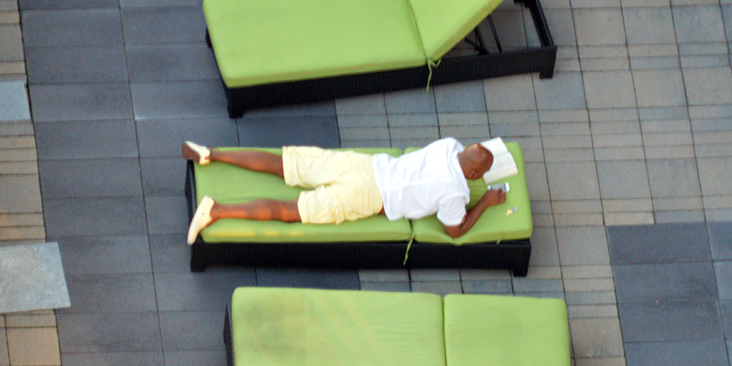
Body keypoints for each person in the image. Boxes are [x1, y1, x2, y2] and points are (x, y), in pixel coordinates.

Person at [183, 137, 508, 245]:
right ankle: (215, 211)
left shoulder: (449, 145)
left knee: (281, 164)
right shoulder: (457, 193)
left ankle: (211, 153)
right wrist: (485, 202)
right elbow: (454, 230)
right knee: (291, 212)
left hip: (361, 165)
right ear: (474, 175)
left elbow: (459, 161)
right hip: (368, 197)